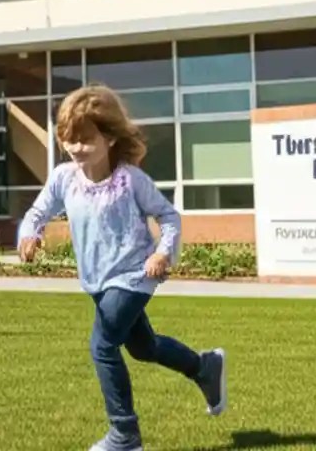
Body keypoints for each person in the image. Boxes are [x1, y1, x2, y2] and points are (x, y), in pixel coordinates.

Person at [17, 84, 226, 451]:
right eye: (68, 139)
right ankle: (203, 367)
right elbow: (38, 211)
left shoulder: (130, 180)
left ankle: (124, 434)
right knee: (143, 348)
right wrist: (30, 232)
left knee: (101, 346)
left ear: (110, 138)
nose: (76, 148)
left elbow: (169, 217)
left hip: (134, 276)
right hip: (97, 280)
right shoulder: (64, 178)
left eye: (85, 139)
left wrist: (163, 253)